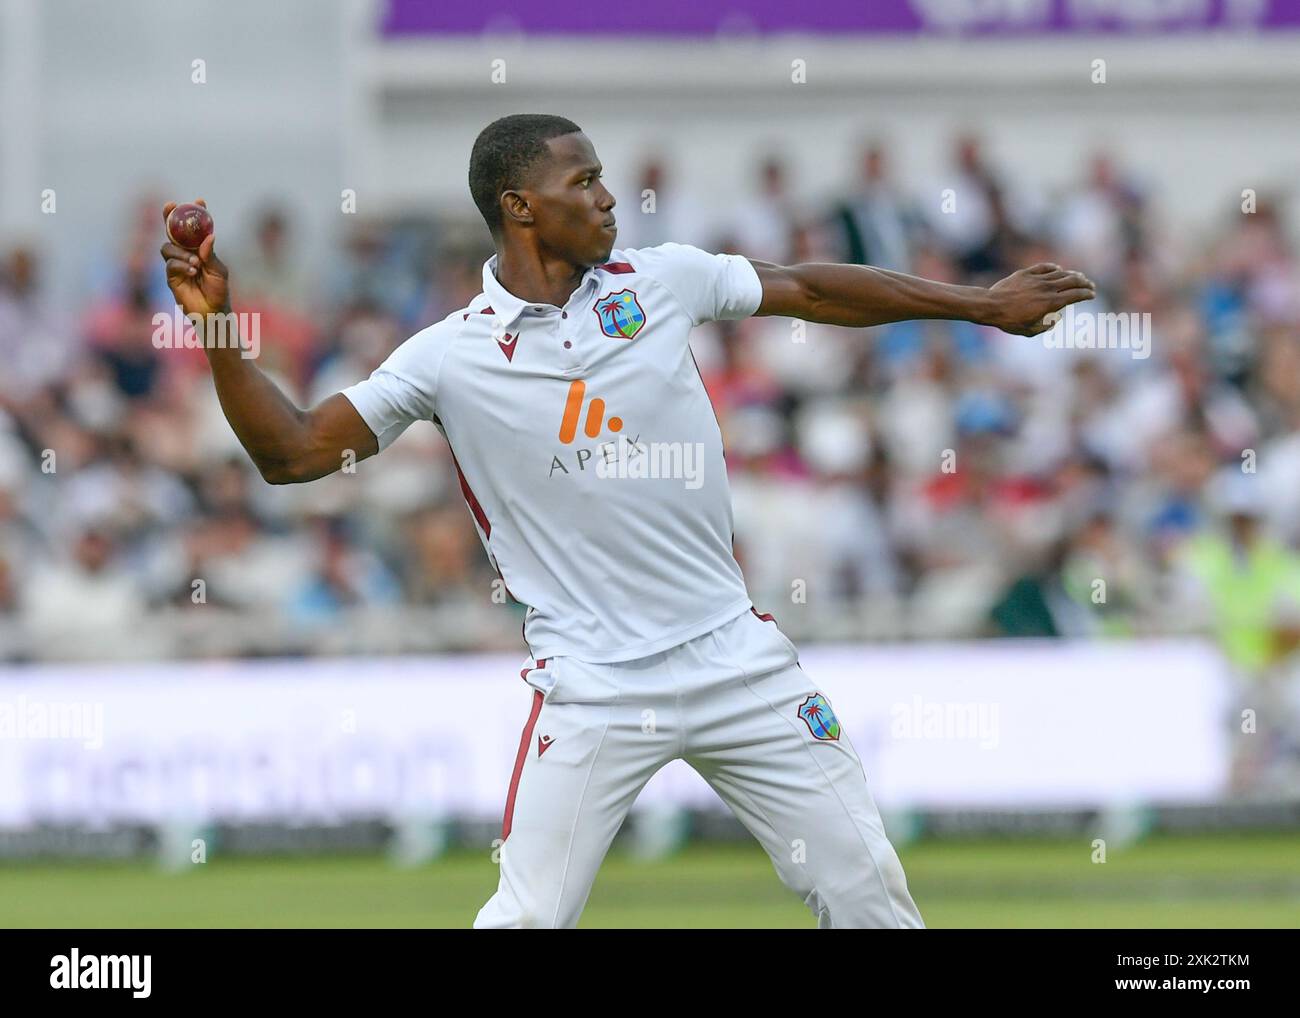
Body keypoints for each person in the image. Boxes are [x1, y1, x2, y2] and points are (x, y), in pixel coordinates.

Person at [159, 113, 1094, 928]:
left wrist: (978, 304)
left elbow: (809, 289)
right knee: (525, 917)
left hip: (738, 661)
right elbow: (291, 453)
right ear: (521, 206)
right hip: (596, 684)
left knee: (869, 900)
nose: (609, 198)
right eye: (586, 180)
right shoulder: (448, 357)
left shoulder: (664, 282)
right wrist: (218, 326)